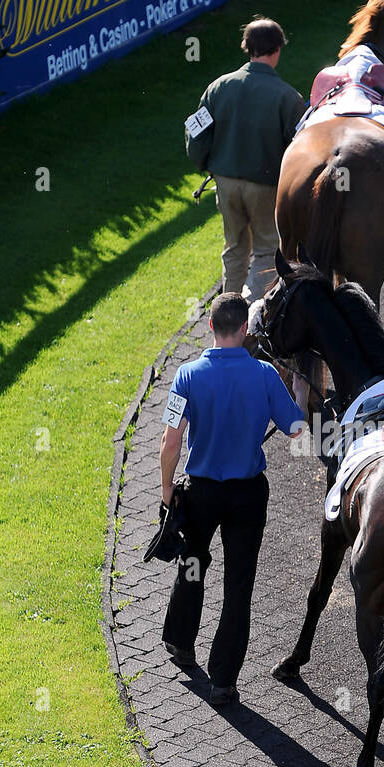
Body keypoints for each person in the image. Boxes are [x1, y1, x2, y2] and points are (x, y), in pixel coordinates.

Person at [159, 292, 302, 706]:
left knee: (191, 562)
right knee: (239, 586)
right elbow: (295, 429)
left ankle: (181, 643)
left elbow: (171, 442)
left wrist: (168, 489)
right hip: (247, 495)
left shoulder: (186, 375)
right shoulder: (264, 375)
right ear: (245, 330)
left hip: (200, 492)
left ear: (210, 326)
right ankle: (223, 680)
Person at [185, 18, 305, 300]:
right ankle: (254, 321)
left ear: (247, 48)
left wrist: (206, 164)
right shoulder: (288, 98)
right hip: (265, 188)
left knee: (235, 248)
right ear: (277, 50)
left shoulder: (217, 88)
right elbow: (301, 150)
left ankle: (228, 309)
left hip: (225, 184)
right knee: (266, 251)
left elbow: (194, 132)